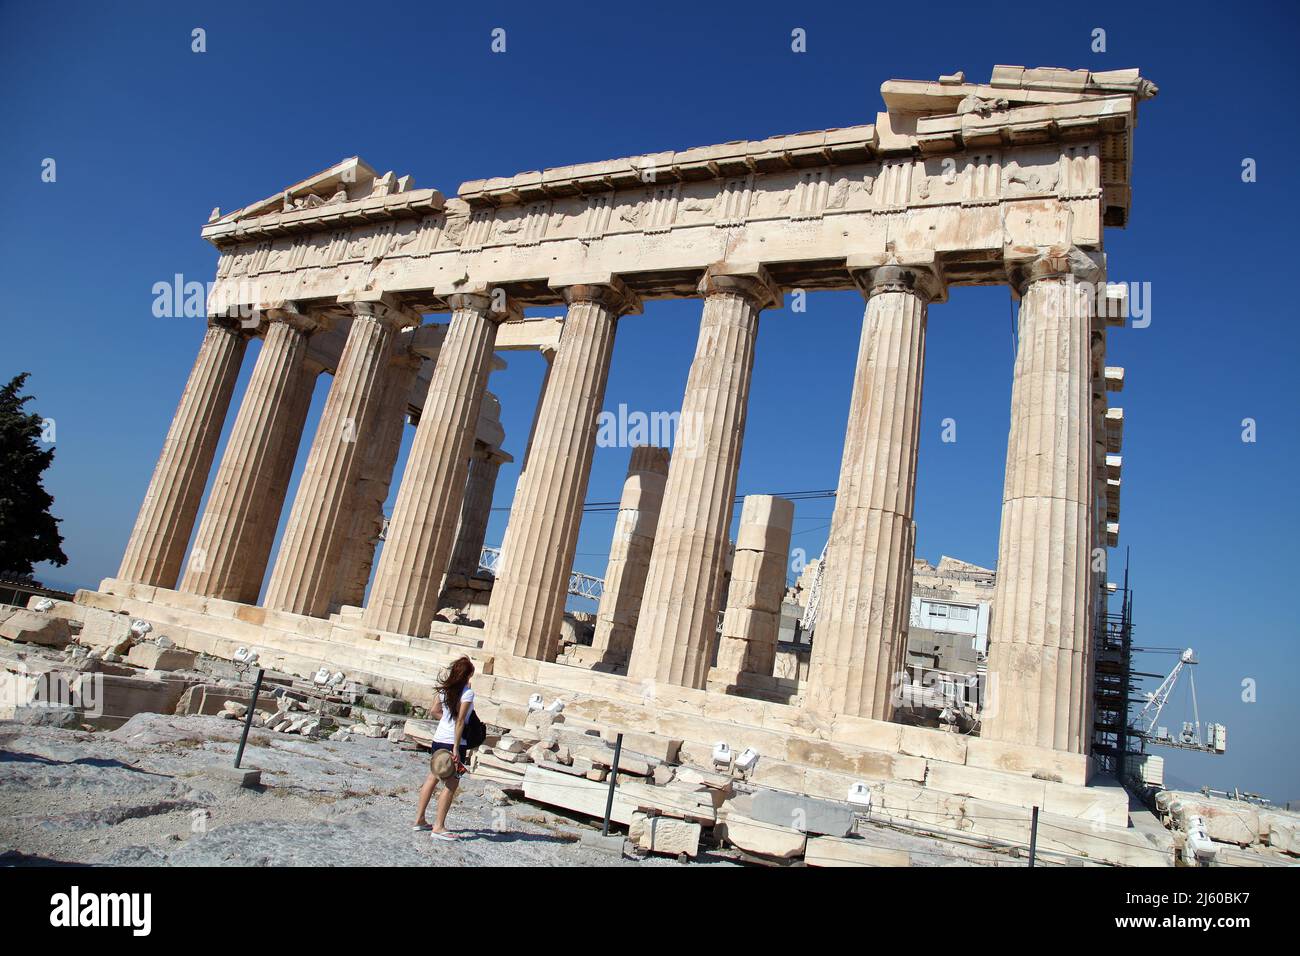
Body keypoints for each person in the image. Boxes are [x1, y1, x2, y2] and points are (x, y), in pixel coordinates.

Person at [414, 656, 475, 840]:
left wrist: (445, 722)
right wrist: (456, 747)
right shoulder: (467, 693)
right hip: (453, 742)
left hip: (438, 739)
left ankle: (419, 820)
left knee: (432, 777)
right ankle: (438, 827)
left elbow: (434, 711)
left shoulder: (443, 690)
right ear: (468, 674)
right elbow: (460, 722)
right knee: (451, 783)